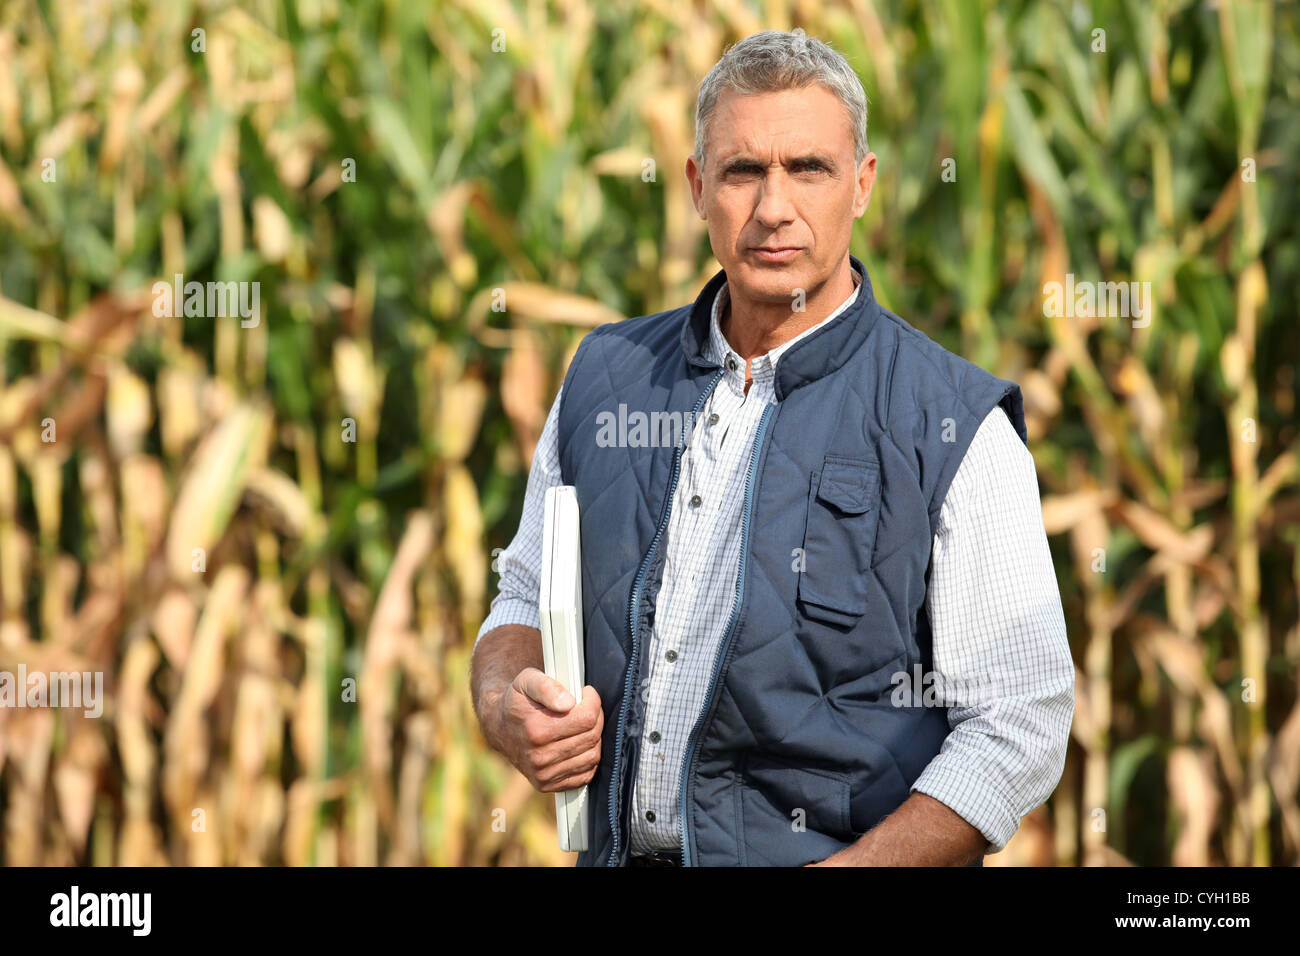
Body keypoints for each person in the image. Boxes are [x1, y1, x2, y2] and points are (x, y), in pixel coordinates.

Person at [470, 28, 1073, 867]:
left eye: (809, 169)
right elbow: (524, 599)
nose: (774, 207)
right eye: (743, 171)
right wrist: (506, 704)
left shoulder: (954, 425)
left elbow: (1020, 720)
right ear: (696, 186)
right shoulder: (605, 379)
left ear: (862, 185)